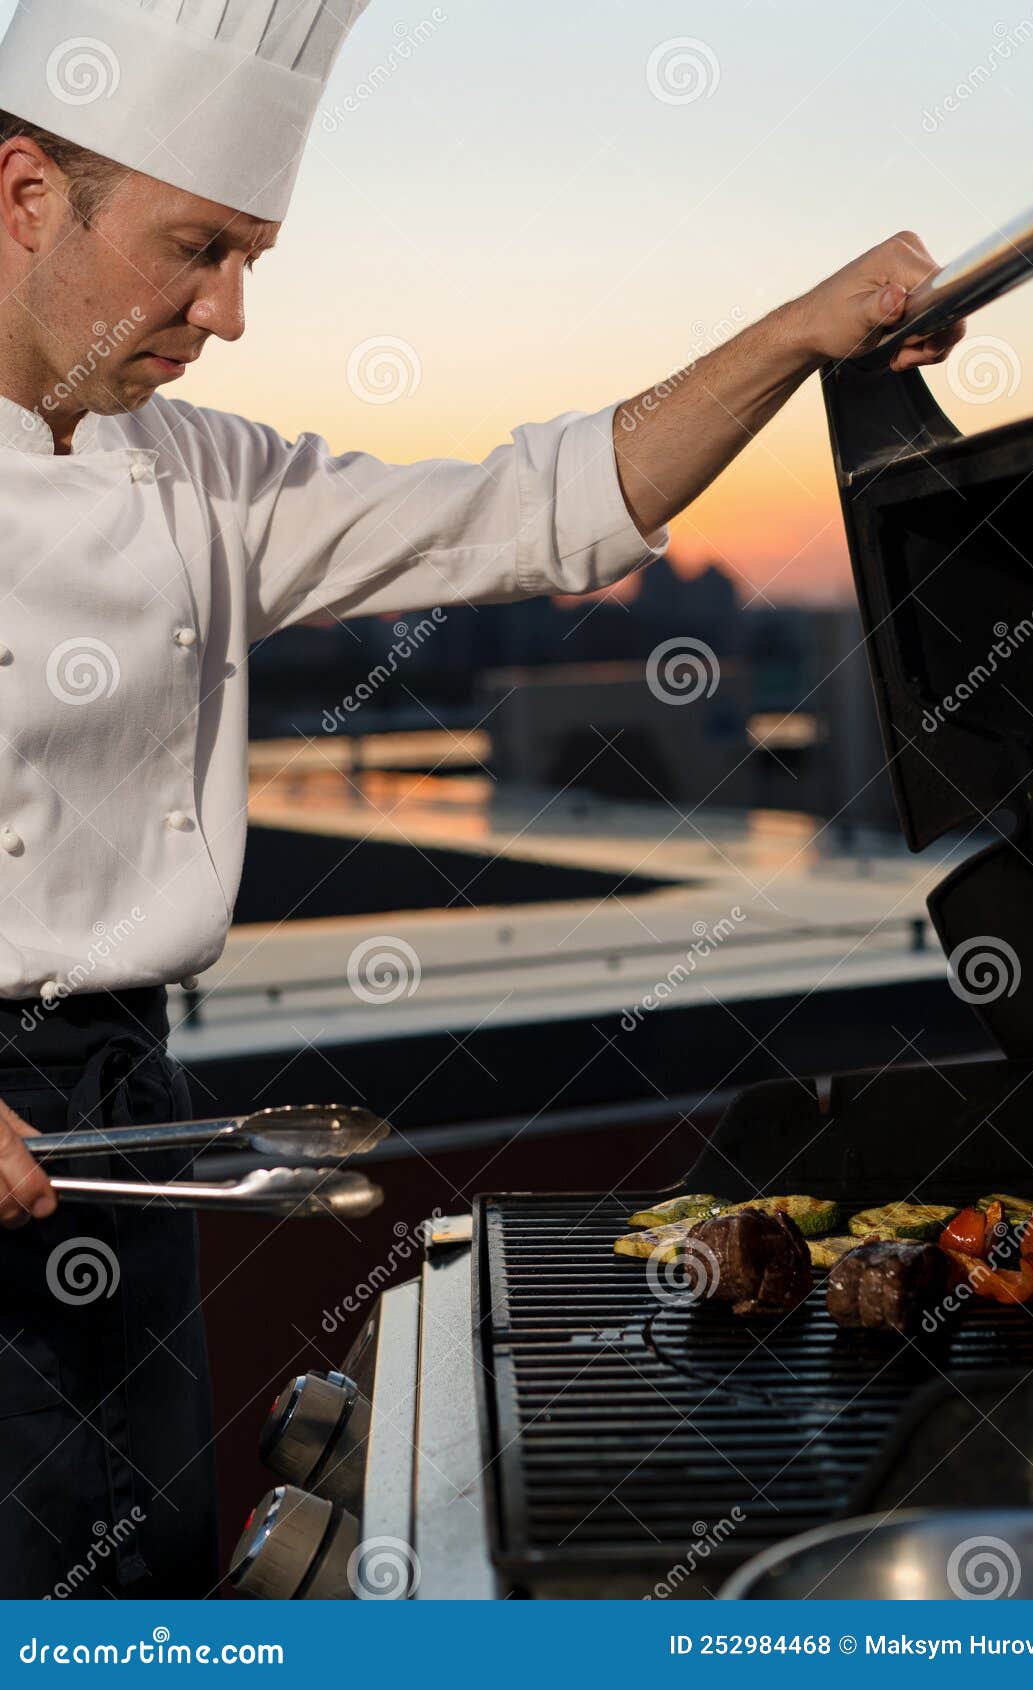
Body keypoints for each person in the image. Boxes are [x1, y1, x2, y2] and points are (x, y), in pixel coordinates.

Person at [0, 0, 964, 1599]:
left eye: (254, 257)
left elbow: (530, 512)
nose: (229, 311)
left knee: (149, 1582)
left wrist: (801, 335)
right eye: (197, 248)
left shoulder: (201, 474)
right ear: (24, 191)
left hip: (136, 1109)